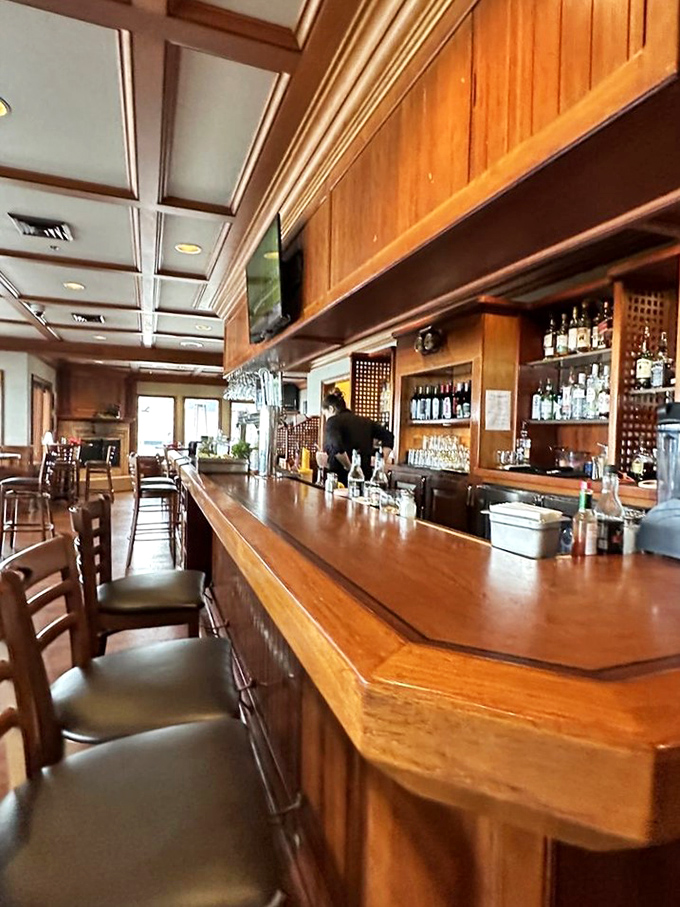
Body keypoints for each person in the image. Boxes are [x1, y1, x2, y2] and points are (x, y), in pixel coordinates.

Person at [319, 389, 394, 487]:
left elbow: (336, 447)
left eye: (325, 414)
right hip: (364, 477)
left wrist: (349, 467)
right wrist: (381, 461)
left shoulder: (332, 422)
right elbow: (389, 436)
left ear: (331, 409)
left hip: (340, 479)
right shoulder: (365, 422)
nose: (326, 418)